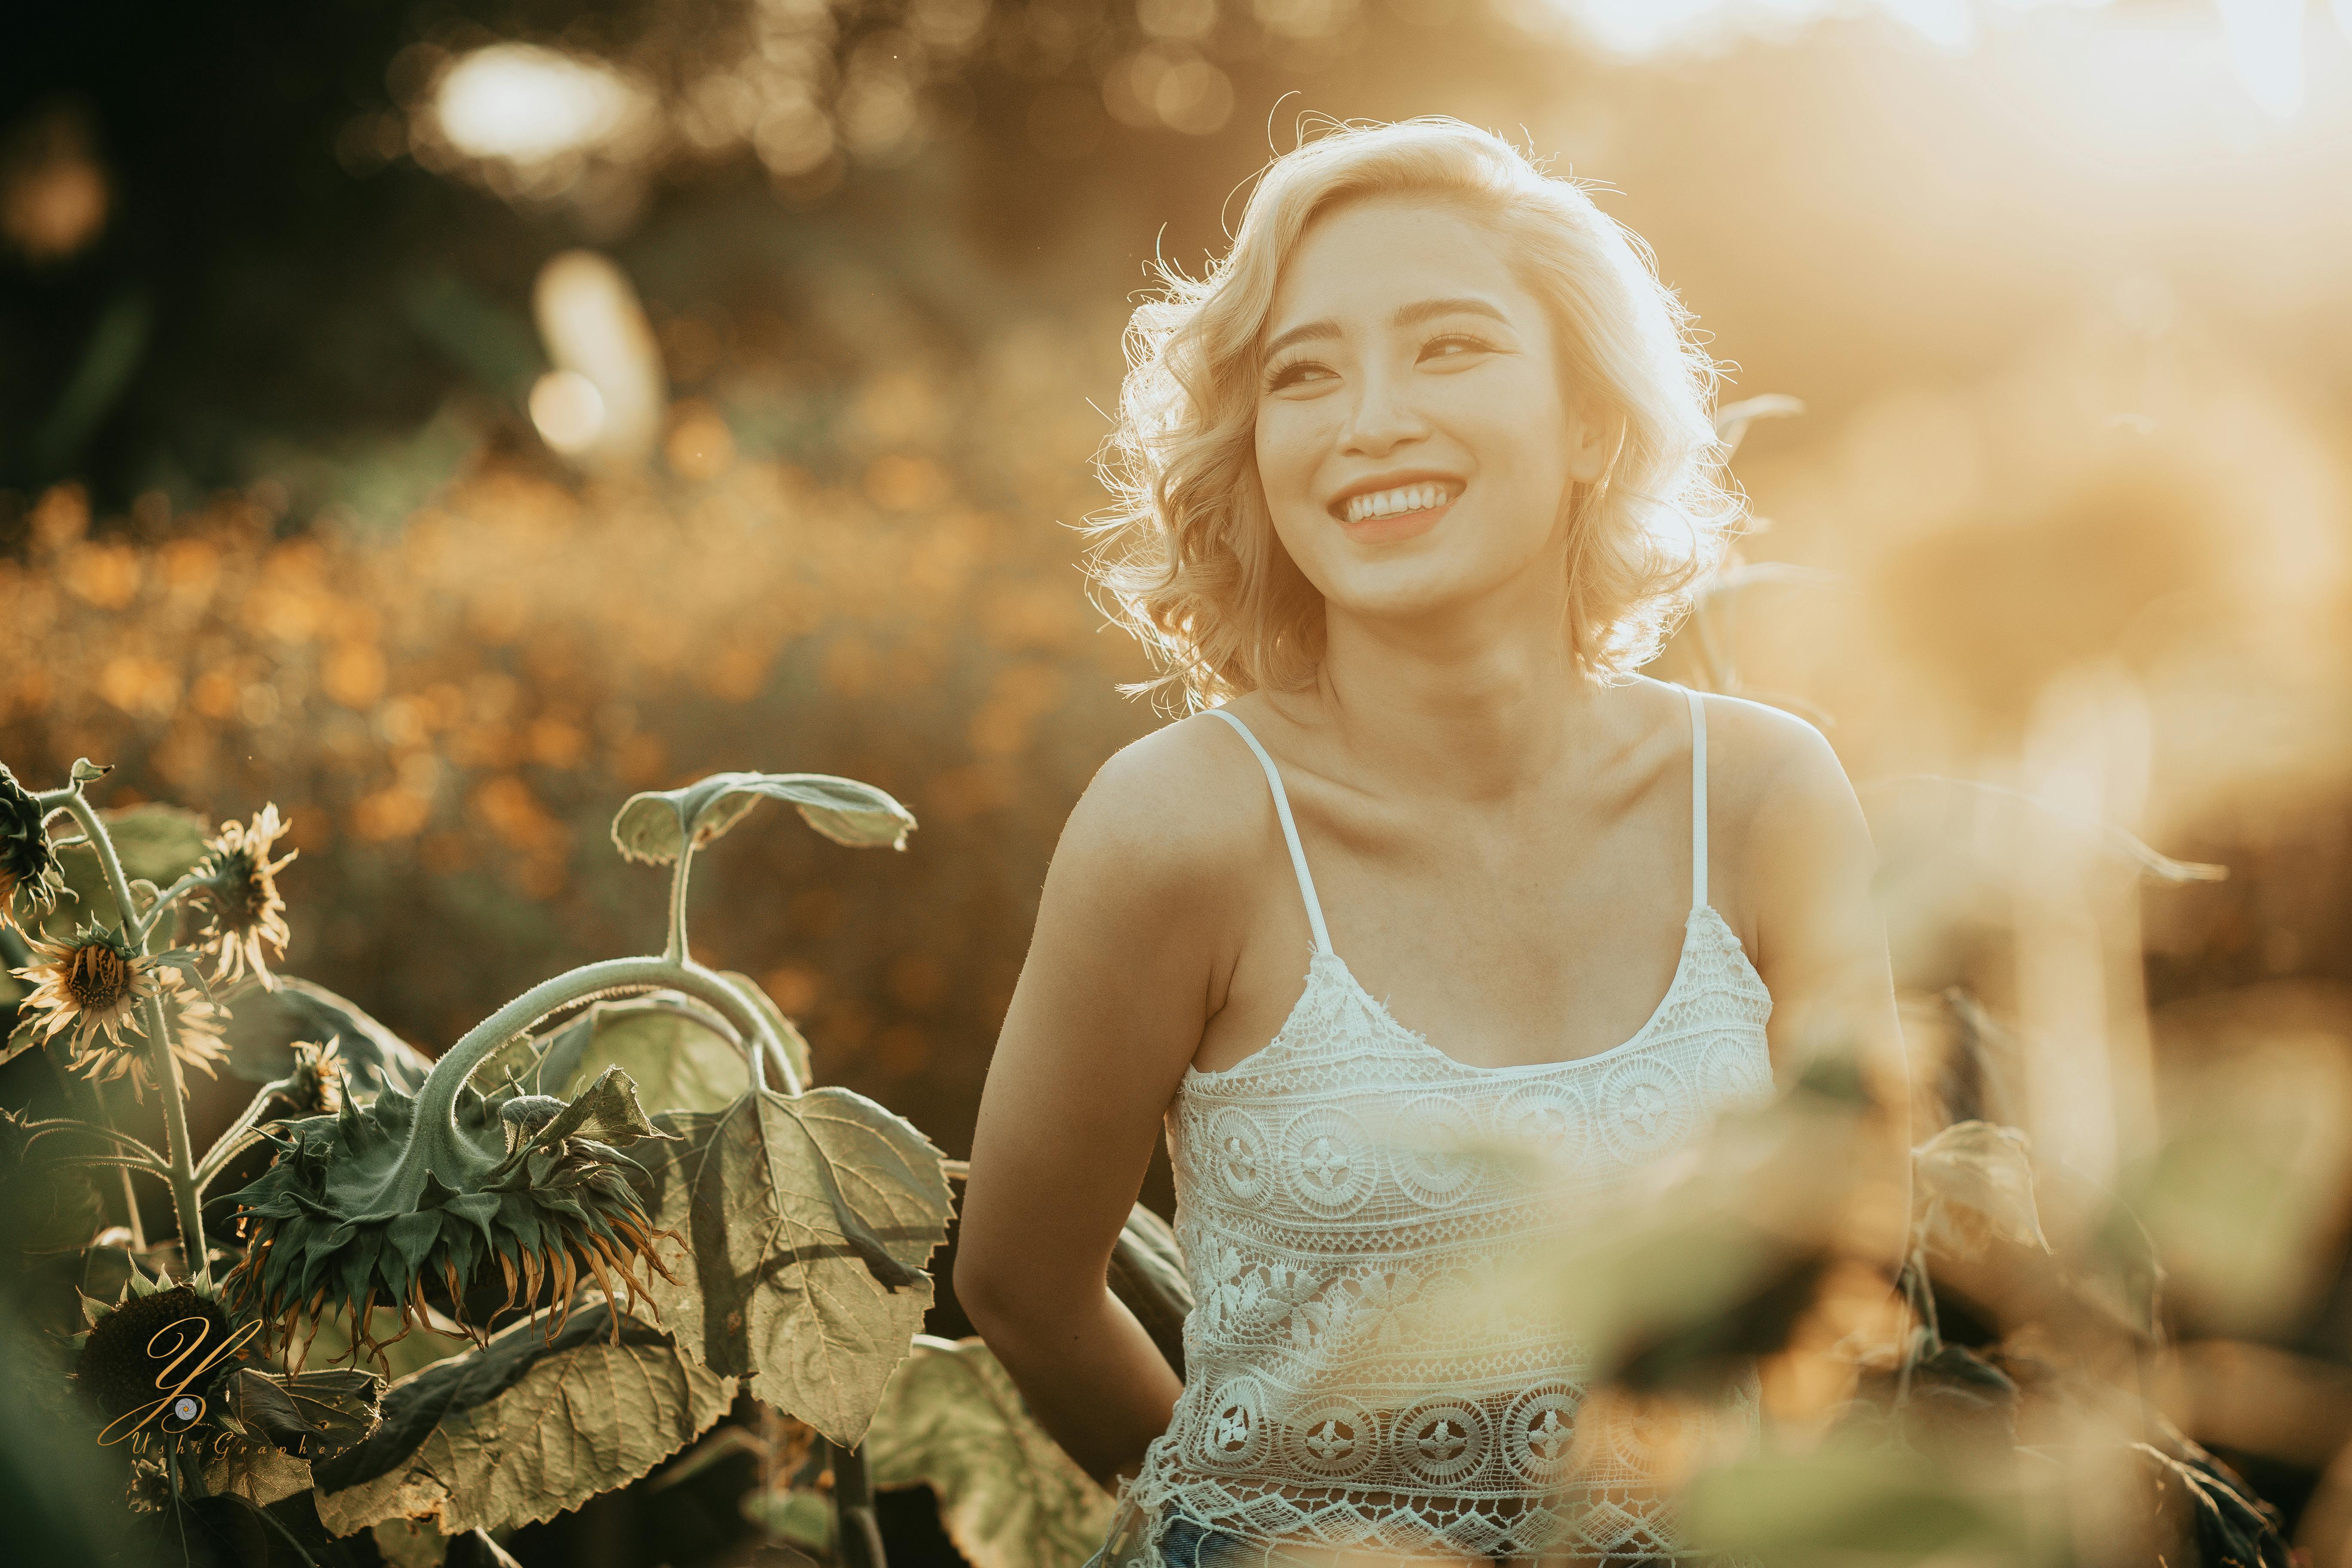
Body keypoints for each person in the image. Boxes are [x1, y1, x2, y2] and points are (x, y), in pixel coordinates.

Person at [954, 117, 1905, 1568]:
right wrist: (1235, 1535)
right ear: (1255, 445)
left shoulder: (1770, 794)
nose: (1370, 419)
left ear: (1592, 421)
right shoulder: (1177, 828)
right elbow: (1020, 1284)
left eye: (1449, 347)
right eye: (1304, 373)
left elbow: (1859, 1262)